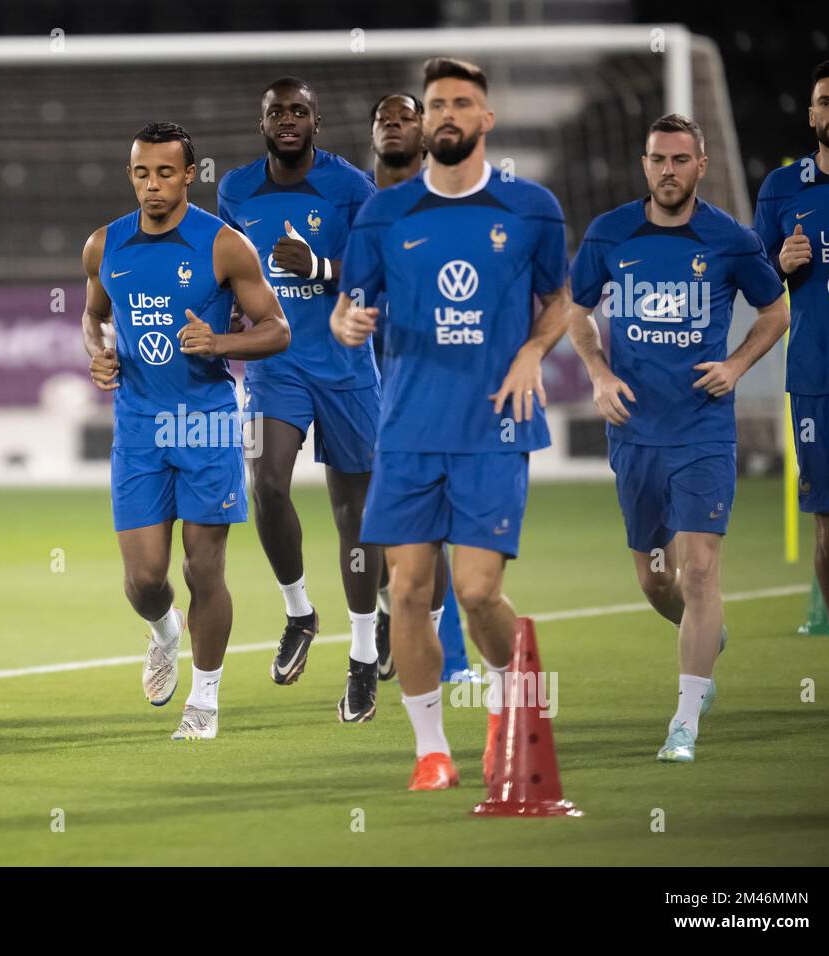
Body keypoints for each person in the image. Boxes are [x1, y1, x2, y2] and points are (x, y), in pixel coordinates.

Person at [331, 58, 570, 790]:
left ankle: (511, 691)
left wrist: (534, 349)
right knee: (405, 590)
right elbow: (348, 305)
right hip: (405, 429)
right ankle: (431, 750)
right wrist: (345, 322)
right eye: (438, 104)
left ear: (485, 121)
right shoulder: (382, 214)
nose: (448, 115)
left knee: (473, 591)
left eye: (463, 103)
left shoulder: (531, 209)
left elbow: (559, 297)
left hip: (494, 425)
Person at [568, 114, 789, 762]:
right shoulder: (609, 233)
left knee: (698, 574)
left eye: (680, 160)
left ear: (701, 166)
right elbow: (576, 311)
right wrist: (599, 373)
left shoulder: (729, 238)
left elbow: (775, 309)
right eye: (658, 160)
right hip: (634, 431)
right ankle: (706, 636)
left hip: (702, 431)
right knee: (654, 580)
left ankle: (686, 718)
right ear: (644, 165)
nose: (669, 171)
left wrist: (737, 366)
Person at [82, 122, 290, 740]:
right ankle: (163, 630)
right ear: (130, 175)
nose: (153, 185)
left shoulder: (224, 246)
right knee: (145, 580)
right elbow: (93, 318)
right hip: (140, 426)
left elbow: (277, 329)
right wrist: (98, 352)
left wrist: (221, 341)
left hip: (205, 423)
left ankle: (204, 700)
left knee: (205, 569)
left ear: (189, 175)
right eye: (142, 172)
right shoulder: (103, 246)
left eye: (166, 172)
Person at [217, 77, 385, 722]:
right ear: (261, 123)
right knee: (265, 484)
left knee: (354, 515)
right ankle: (299, 613)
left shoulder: (350, 188)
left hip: (346, 368)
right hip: (274, 367)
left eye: (299, 111)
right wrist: (229, 312)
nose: (287, 120)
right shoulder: (235, 190)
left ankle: (364, 657)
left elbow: (379, 266)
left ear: (317, 122)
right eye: (275, 112)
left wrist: (316, 268)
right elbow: (227, 268)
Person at [754, 57, 829, 728]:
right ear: (813, 116)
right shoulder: (782, 189)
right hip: (821, 386)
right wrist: (777, 265)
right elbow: (751, 283)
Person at [365, 91, 472, 686]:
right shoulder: (355, 202)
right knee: (370, 526)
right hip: (357, 385)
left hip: (428, 385)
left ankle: (449, 658)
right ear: (372, 132)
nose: (397, 127)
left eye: (409, 117)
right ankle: (386, 613)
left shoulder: (449, 205)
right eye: (387, 119)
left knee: (430, 527)